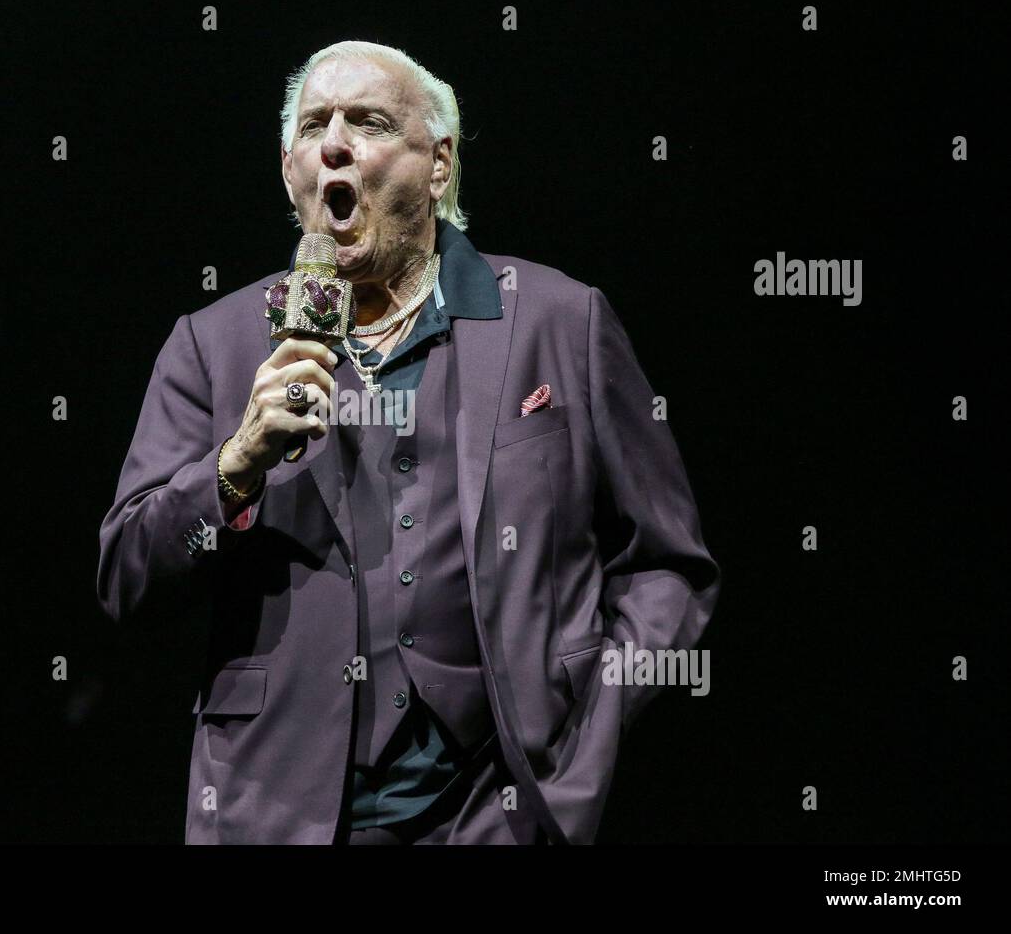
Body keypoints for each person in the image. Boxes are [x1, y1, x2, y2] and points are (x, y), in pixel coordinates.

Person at [98, 41, 720, 844]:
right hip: (278, 811)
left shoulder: (557, 320)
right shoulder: (213, 346)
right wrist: (236, 463)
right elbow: (127, 577)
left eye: (369, 121)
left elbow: (668, 563)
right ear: (291, 169)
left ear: (438, 164)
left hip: (498, 807)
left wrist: (591, 720)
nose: (335, 142)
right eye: (315, 125)